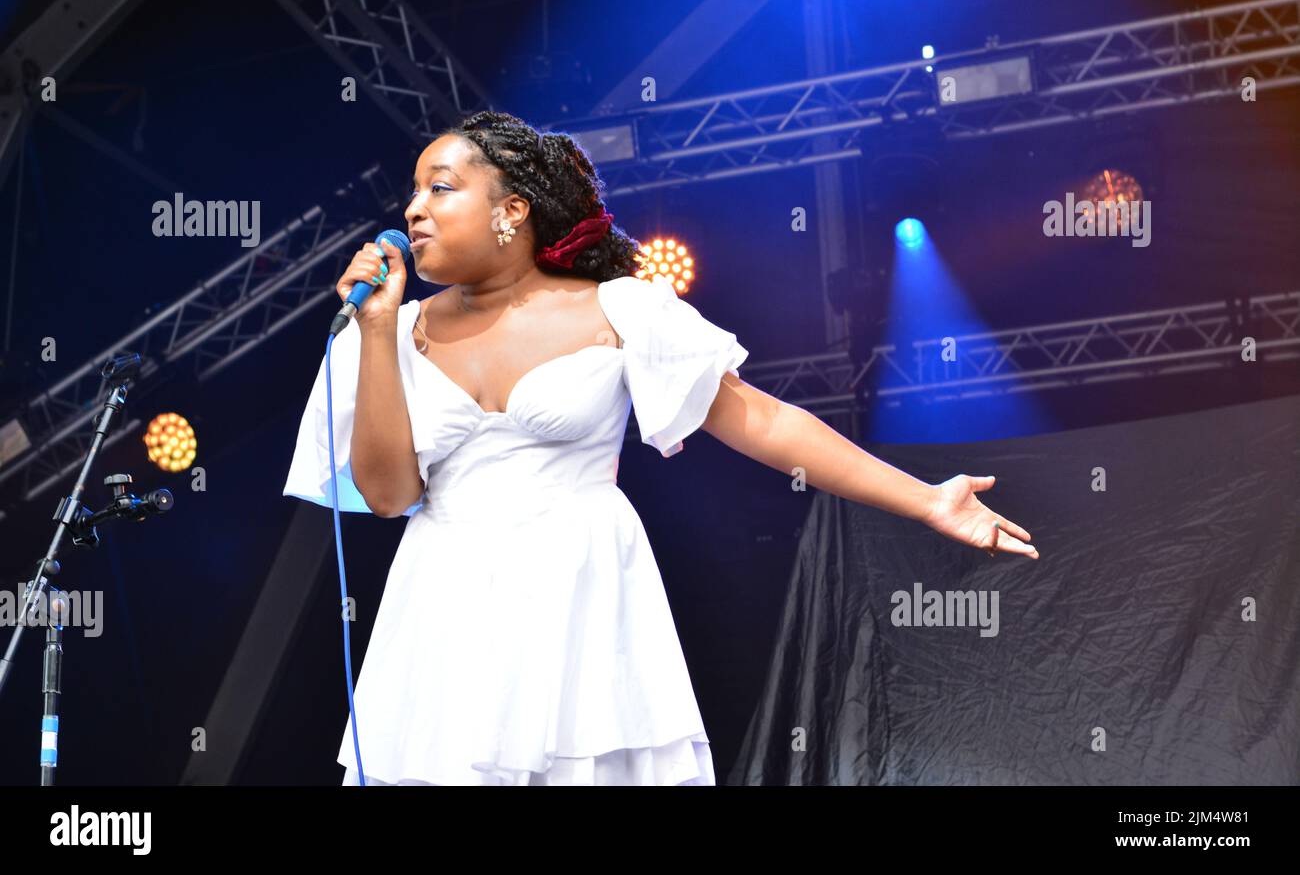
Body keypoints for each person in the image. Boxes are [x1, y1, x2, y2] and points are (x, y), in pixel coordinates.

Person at [282, 110, 1039, 786]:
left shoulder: (619, 309)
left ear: (512, 211)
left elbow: (767, 423)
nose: (413, 208)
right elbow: (386, 496)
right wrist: (376, 331)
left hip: (575, 589)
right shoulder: (387, 332)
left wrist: (928, 498)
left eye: (439, 187)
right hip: (441, 601)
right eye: (412, 192)